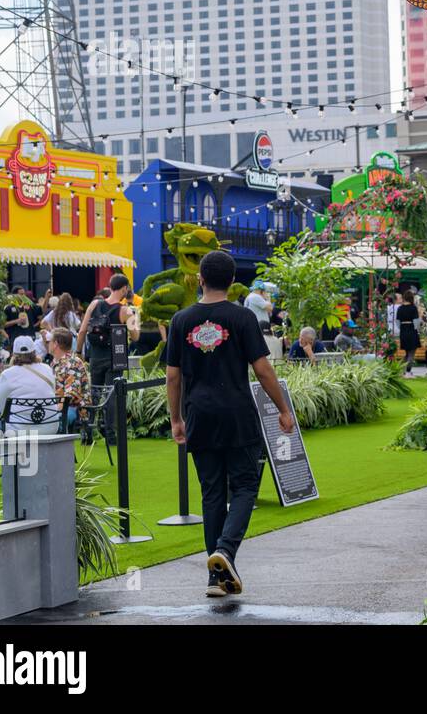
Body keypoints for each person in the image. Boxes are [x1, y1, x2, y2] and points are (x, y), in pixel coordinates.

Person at [166, 249, 293, 599]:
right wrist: (283, 408)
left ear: (201, 279)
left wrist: (176, 418)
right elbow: (262, 368)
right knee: (245, 486)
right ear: (234, 282)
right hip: (237, 414)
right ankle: (225, 551)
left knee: (212, 494)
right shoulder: (241, 318)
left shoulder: (181, 320)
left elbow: (173, 376)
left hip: (199, 414)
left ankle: (215, 579)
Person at [78, 275, 140, 437]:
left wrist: (78, 352)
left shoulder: (94, 304)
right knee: (111, 395)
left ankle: (88, 432)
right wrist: (134, 319)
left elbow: (83, 330)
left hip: (95, 356)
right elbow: (136, 337)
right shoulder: (126, 310)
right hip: (115, 357)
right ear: (125, 288)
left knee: (94, 393)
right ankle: (110, 434)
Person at [0, 336, 57, 434]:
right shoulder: (47, 369)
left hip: (19, 430)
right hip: (50, 427)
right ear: (34, 352)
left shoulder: (8, 374)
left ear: (14, 354)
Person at [49, 327, 90, 435]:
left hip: (73, 409)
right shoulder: (55, 363)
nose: (48, 343)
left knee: (44, 419)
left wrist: (52, 409)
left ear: (56, 344)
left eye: (50, 341)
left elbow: (72, 395)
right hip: (59, 407)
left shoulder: (72, 363)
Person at [397, 291, 421, 367]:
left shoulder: (400, 308)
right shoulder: (413, 308)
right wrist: (417, 329)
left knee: (407, 352)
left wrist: (402, 328)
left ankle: (400, 369)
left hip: (403, 331)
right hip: (411, 330)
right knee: (411, 352)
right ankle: (408, 371)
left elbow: (397, 322)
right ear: (411, 298)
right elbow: (416, 322)